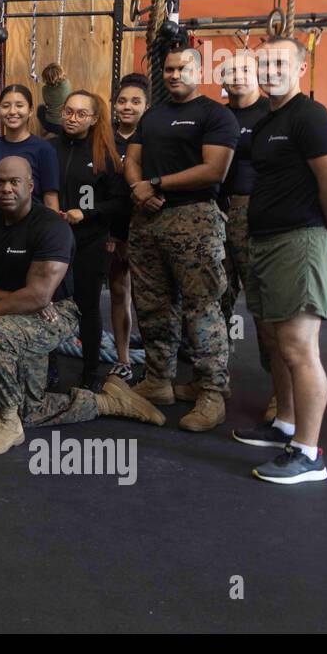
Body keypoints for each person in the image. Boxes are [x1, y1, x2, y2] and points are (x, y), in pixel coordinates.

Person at [0, 156, 165, 455]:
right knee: (32, 411)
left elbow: (40, 296)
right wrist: (13, 300)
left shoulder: (51, 226)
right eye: (0, 182)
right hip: (17, 310)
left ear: (30, 185)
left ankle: (7, 422)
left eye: (14, 182)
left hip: (57, 313)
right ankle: (108, 401)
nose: (6, 188)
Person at [233, 37, 327, 484]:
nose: (271, 69)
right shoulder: (268, 123)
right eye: (264, 62)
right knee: (276, 343)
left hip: (299, 242)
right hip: (267, 241)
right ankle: (284, 422)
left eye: (281, 62)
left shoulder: (310, 116)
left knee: (300, 348)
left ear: (301, 68)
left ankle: (308, 453)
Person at [124, 41, 238, 431]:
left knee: (203, 308)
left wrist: (155, 184)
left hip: (194, 220)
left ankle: (211, 392)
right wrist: (140, 188)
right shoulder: (152, 115)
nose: (174, 75)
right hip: (147, 221)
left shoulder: (215, 115)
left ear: (199, 71)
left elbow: (214, 170)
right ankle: (158, 381)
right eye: (169, 69)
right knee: (153, 306)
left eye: (182, 69)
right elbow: (132, 159)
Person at [176, 50, 273, 405]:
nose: (237, 76)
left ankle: (281, 393)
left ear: (257, 73)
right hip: (213, 213)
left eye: (245, 69)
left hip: (254, 215)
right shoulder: (215, 115)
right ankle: (210, 381)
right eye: (229, 70)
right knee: (211, 302)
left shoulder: (269, 114)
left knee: (263, 306)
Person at [49, 89, 129, 390]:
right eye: (68, 111)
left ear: (94, 118)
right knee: (48, 304)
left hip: (89, 240)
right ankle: (49, 367)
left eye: (81, 113)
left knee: (88, 304)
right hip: (53, 242)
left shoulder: (105, 155)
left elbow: (120, 202)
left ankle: (91, 373)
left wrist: (88, 213)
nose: (72, 118)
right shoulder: (49, 148)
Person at [0, 83, 60, 248]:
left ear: (30, 110)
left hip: (29, 229)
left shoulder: (44, 149)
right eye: (6, 105)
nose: (12, 111)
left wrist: (53, 241)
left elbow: (50, 200)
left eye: (19, 105)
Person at [108, 74, 148, 382]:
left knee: (149, 297)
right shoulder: (105, 139)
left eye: (135, 101)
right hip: (113, 230)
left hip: (146, 228)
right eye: (122, 101)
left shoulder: (153, 139)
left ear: (146, 105)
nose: (127, 107)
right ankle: (122, 358)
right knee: (120, 292)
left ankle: (157, 365)